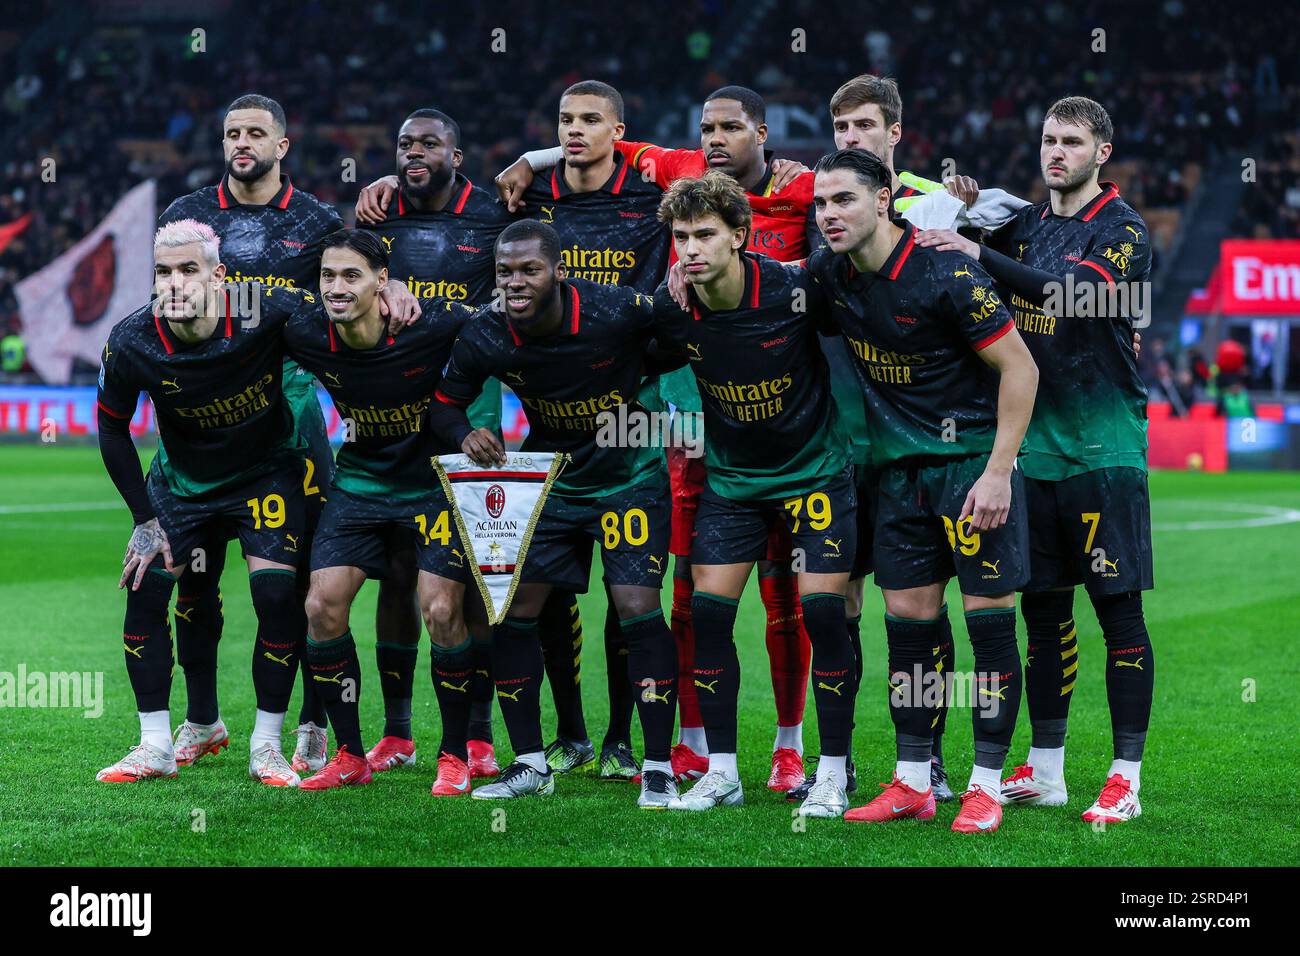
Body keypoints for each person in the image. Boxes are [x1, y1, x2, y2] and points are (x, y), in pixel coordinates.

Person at [157, 93, 418, 775]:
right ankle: (203, 720)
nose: (241, 142)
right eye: (231, 133)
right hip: (205, 416)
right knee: (193, 577)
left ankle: (308, 723)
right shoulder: (184, 216)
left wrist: (392, 290)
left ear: (282, 145)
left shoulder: (316, 220)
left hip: (290, 416)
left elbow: (345, 292)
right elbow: (167, 305)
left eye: (255, 133)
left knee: (298, 582)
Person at [917, 95, 1156, 825]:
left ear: (1101, 152)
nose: (1058, 152)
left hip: (1102, 446)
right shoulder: (1023, 224)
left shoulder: (1123, 230)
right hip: (1032, 450)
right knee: (1044, 616)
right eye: (1050, 139)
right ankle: (1045, 769)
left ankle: (1126, 777)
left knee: (1119, 618)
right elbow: (940, 235)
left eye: (1073, 142)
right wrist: (955, 213)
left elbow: (1077, 295)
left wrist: (976, 249)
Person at [810, 149, 1039, 833]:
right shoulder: (830, 274)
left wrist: (998, 471)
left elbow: (1020, 369)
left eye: (844, 200)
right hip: (896, 477)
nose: (829, 215)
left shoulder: (947, 271)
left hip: (970, 470)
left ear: (883, 200)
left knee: (990, 629)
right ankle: (913, 780)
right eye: (821, 203)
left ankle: (988, 784)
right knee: (909, 628)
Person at [430, 220, 681, 808]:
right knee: (514, 609)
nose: (515, 283)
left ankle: (658, 767)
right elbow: (445, 405)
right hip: (553, 482)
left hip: (630, 476)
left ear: (559, 272)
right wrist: (465, 434)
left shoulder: (617, 311)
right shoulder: (488, 333)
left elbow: (681, 334)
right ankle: (529, 764)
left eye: (529, 270)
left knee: (637, 608)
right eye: (505, 272)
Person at [650, 171, 860, 818]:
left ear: (740, 235)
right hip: (733, 485)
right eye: (681, 237)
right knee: (708, 617)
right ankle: (721, 772)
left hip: (814, 474)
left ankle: (830, 773)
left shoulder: (797, 288)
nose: (691, 249)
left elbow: (869, 286)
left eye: (705, 235)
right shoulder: (671, 311)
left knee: (823, 617)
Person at [95, 219, 318, 786]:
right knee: (145, 585)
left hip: (264, 475)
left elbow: (343, 322)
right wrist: (145, 522)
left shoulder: (268, 311)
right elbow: (113, 429)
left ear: (219, 276)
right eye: (163, 272)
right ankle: (155, 745)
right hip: (184, 481)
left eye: (189, 270)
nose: (174, 283)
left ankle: (266, 745)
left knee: (275, 594)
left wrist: (387, 289)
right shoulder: (131, 341)